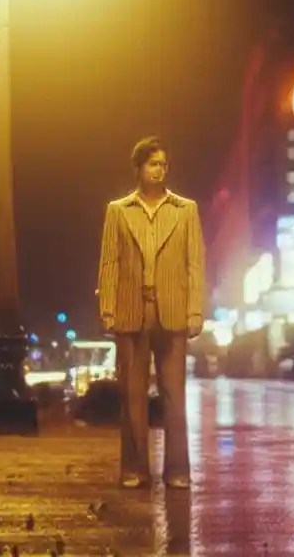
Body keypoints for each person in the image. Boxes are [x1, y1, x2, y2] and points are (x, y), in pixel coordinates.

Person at [97, 136, 205, 489]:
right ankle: (134, 469)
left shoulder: (185, 209)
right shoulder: (118, 210)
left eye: (164, 163)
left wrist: (195, 311)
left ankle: (178, 470)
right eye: (153, 163)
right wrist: (107, 308)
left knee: (175, 396)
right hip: (131, 310)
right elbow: (109, 262)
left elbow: (195, 264)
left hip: (172, 312)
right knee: (132, 396)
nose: (160, 169)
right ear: (139, 168)